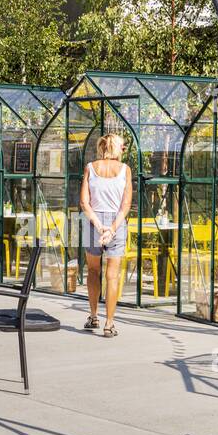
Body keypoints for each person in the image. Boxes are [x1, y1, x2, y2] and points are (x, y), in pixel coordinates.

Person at [80, 133, 132, 337]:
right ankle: (109, 324)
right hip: (116, 223)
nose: (124, 151)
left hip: (93, 222)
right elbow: (126, 204)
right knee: (112, 275)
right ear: (117, 148)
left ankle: (94, 316)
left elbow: (84, 203)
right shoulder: (125, 169)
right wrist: (111, 228)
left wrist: (99, 226)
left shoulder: (90, 167)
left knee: (93, 271)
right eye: (123, 147)